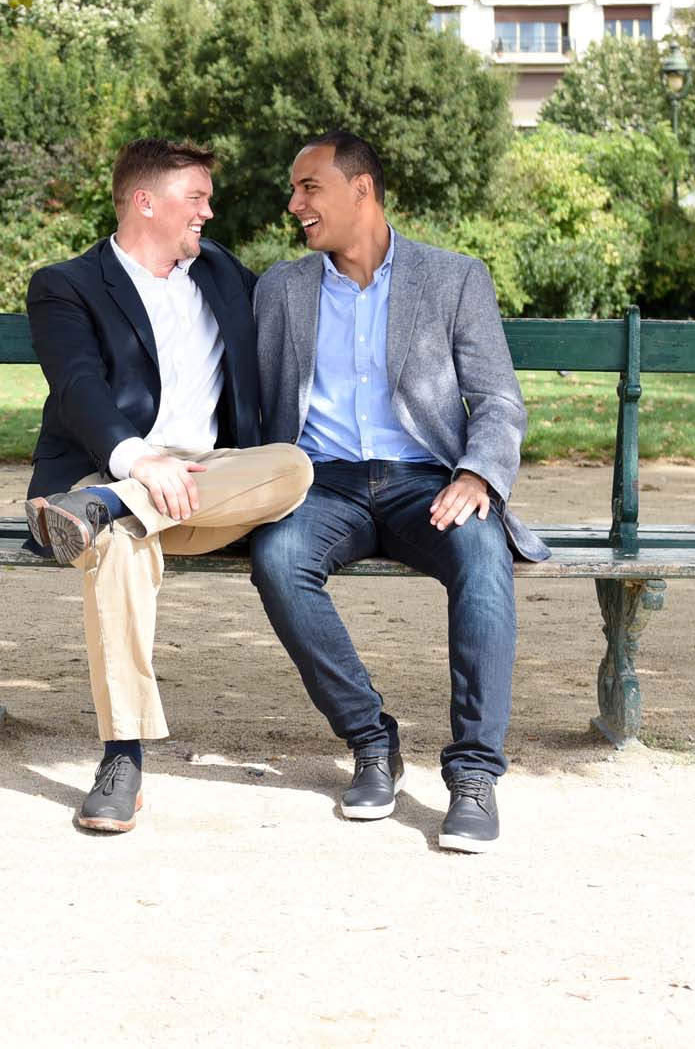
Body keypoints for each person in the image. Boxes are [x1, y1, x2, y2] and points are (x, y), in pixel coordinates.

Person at [250, 129, 547, 853]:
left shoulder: (452, 278)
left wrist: (478, 473)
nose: (295, 204)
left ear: (362, 190)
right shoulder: (281, 289)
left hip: (427, 482)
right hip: (322, 484)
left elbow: (500, 400)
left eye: (309, 187)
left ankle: (474, 773)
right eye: (294, 190)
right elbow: (256, 403)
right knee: (278, 558)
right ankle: (370, 738)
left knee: (483, 556)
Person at [23, 138, 314, 834]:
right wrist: (135, 461)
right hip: (117, 470)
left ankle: (99, 510)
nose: (208, 212)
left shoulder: (223, 276)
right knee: (119, 544)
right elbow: (78, 386)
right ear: (144, 202)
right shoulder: (66, 285)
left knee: (293, 468)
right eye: (197, 198)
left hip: (217, 485)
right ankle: (122, 757)